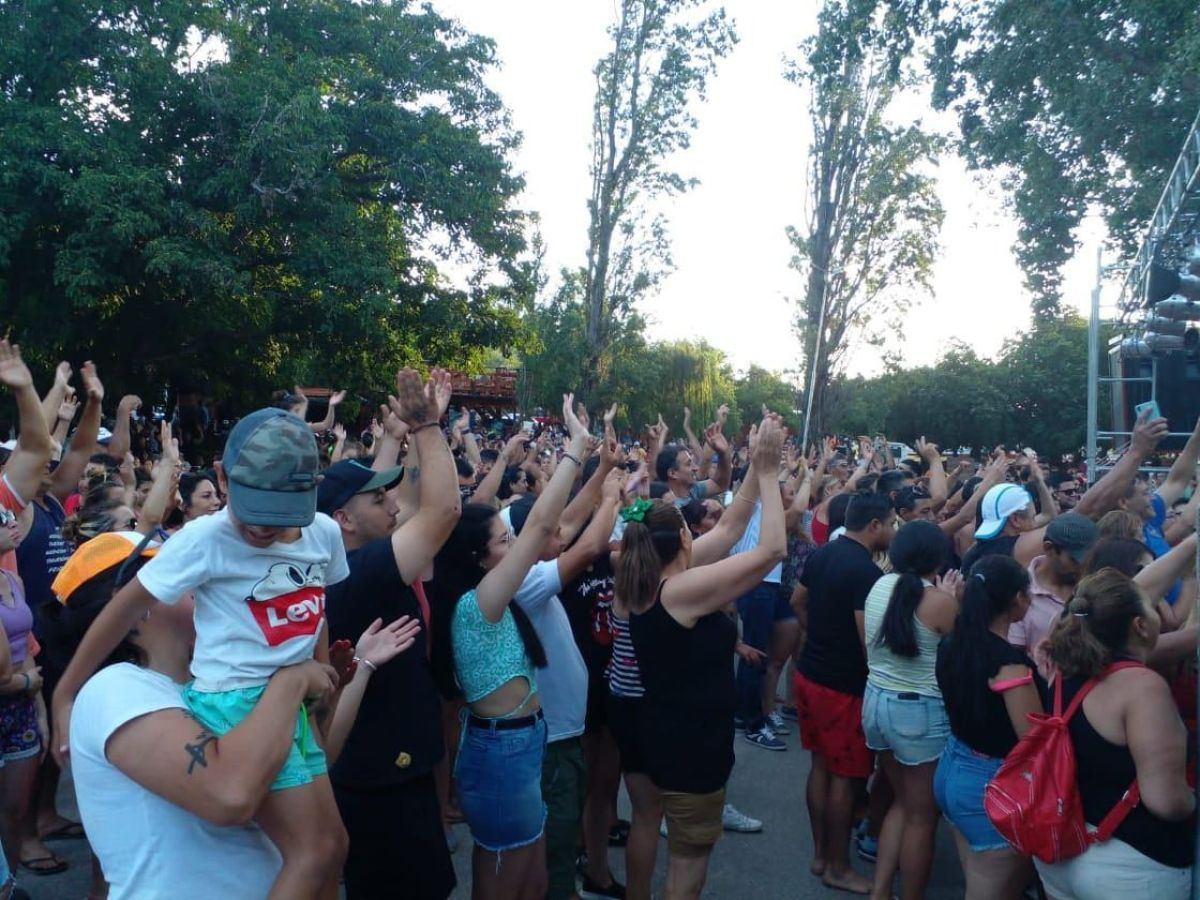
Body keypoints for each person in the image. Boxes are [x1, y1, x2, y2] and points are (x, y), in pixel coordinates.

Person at [52, 403, 354, 900]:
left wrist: (317, 669)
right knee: (314, 851)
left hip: (287, 703)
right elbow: (123, 609)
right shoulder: (205, 539)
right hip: (237, 702)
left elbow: (315, 604)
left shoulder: (321, 533)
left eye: (277, 516)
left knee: (334, 846)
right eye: (251, 509)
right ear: (222, 477)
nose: (260, 529)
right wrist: (65, 693)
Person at [46, 530, 414, 900]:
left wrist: (333, 686)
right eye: (178, 567)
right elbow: (230, 795)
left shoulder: (215, 685)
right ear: (135, 601)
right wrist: (289, 685)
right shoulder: (114, 690)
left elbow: (308, 762)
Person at [429, 394, 588, 900]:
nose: (511, 544)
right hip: (501, 751)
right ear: (479, 559)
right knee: (504, 881)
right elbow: (541, 525)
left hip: (521, 742)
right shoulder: (477, 606)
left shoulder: (495, 596)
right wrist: (575, 449)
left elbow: (553, 527)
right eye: (502, 540)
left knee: (532, 879)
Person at [621, 415, 786, 900]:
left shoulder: (654, 574)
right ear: (686, 540)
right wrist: (773, 473)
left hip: (664, 731)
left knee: (673, 850)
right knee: (688, 868)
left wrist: (756, 465)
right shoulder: (681, 590)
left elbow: (734, 525)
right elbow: (772, 548)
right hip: (690, 747)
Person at [319, 368, 460, 900]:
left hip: (387, 768)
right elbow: (443, 511)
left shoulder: (357, 559)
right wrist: (426, 430)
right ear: (344, 521)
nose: (393, 505)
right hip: (381, 777)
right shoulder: (357, 574)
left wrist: (410, 437)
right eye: (379, 502)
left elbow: (421, 499)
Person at [1034, 569, 1195, 899]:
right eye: (1152, 605)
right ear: (1139, 625)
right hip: (1129, 867)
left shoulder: (1063, 666)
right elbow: (1167, 801)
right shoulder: (1141, 687)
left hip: (1062, 851)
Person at [792, 490, 894, 893]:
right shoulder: (865, 573)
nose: (892, 530)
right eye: (890, 523)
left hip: (813, 675)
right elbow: (867, 641)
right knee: (846, 778)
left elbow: (799, 601)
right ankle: (837, 865)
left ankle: (822, 856)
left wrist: (815, 635)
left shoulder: (823, 553)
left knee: (820, 766)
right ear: (874, 525)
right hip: (844, 688)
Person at [934, 555, 1041, 900]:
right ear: (1017, 601)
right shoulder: (1008, 664)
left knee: (978, 875)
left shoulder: (953, 643)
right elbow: (1033, 739)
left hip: (953, 767)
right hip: (989, 783)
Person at [862, 520, 959, 900]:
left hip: (877, 703)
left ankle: (881, 890)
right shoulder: (939, 601)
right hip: (918, 713)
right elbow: (964, 651)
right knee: (922, 817)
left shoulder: (879, 585)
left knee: (903, 804)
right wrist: (951, 597)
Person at [1007, 513, 1099, 678]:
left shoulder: (1096, 585)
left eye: (1089, 560)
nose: (1083, 567)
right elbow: (1014, 661)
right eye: (1075, 560)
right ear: (1049, 549)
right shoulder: (1019, 591)